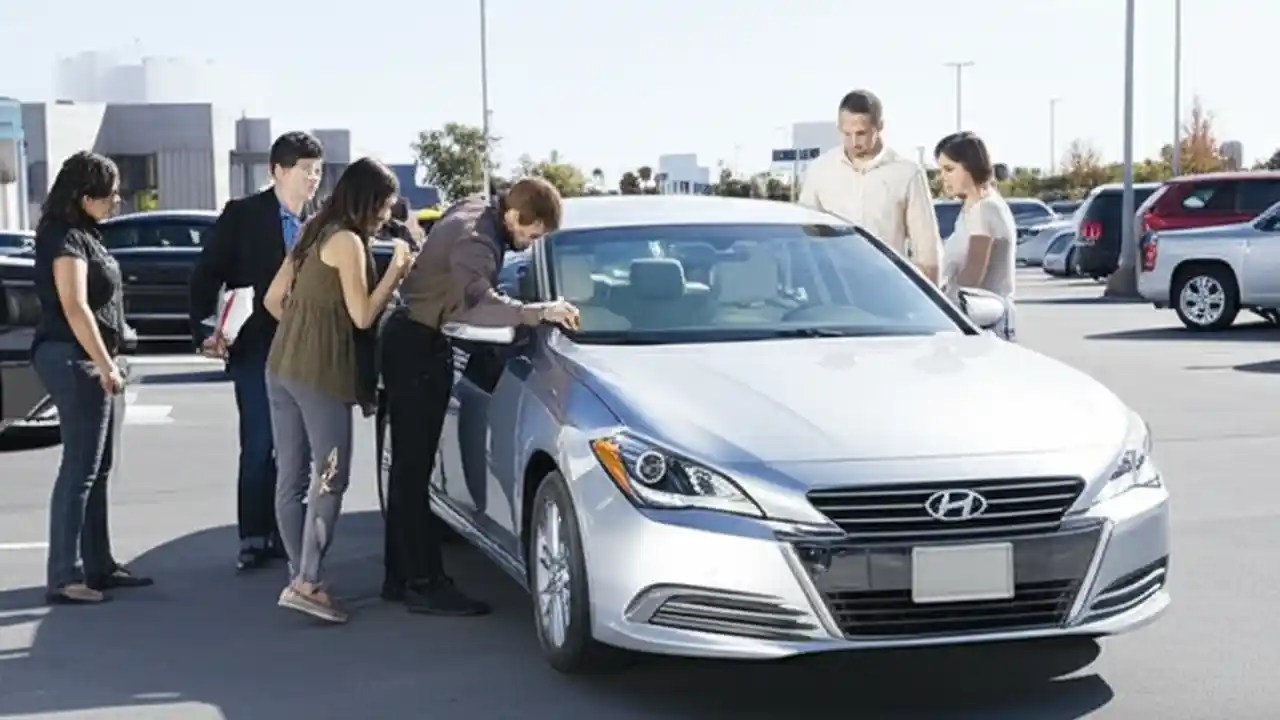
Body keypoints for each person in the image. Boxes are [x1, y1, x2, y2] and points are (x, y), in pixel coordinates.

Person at [379, 177, 579, 616]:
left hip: (407, 337)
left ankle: (400, 577)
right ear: (513, 216)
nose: (528, 245)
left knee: (407, 473)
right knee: (414, 474)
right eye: (531, 234)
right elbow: (478, 303)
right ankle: (424, 583)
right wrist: (538, 312)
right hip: (417, 345)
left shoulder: (474, 208)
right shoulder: (478, 241)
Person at [262, 157, 414, 623]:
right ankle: (307, 583)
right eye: (385, 204)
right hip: (321, 373)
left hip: (281, 364)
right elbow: (363, 316)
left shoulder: (311, 230)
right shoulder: (347, 241)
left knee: (290, 479)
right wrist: (397, 270)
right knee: (331, 476)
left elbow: (272, 300)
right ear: (367, 200)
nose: (387, 214)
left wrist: (304, 323)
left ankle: (299, 575)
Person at [189, 132, 325, 571]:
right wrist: (206, 329)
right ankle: (253, 535)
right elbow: (206, 273)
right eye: (306, 171)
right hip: (256, 346)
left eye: (318, 171)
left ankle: (288, 534)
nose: (313, 180)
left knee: (297, 448)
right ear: (278, 171)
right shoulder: (243, 216)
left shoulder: (319, 223)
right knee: (260, 441)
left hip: (305, 349)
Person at [31, 151, 154, 604]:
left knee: (97, 469)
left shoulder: (84, 233)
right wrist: (103, 363)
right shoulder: (64, 238)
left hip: (88, 357)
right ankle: (65, 575)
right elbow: (75, 305)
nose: (117, 202)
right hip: (73, 358)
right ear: (85, 196)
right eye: (111, 195)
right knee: (80, 469)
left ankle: (98, 565)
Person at [799, 89, 944, 283]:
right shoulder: (820, 170)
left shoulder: (907, 173)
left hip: (887, 288)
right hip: (833, 290)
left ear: (880, 126)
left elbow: (927, 249)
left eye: (861, 133)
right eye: (846, 133)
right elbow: (805, 237)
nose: (853, 142)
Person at [934, 131, 1018, 340]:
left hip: (981, 323)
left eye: (949, 169)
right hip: (971, 320)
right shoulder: (971, 208)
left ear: (970, 167)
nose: (943, 177)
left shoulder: (985, 209)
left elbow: (972, 277)